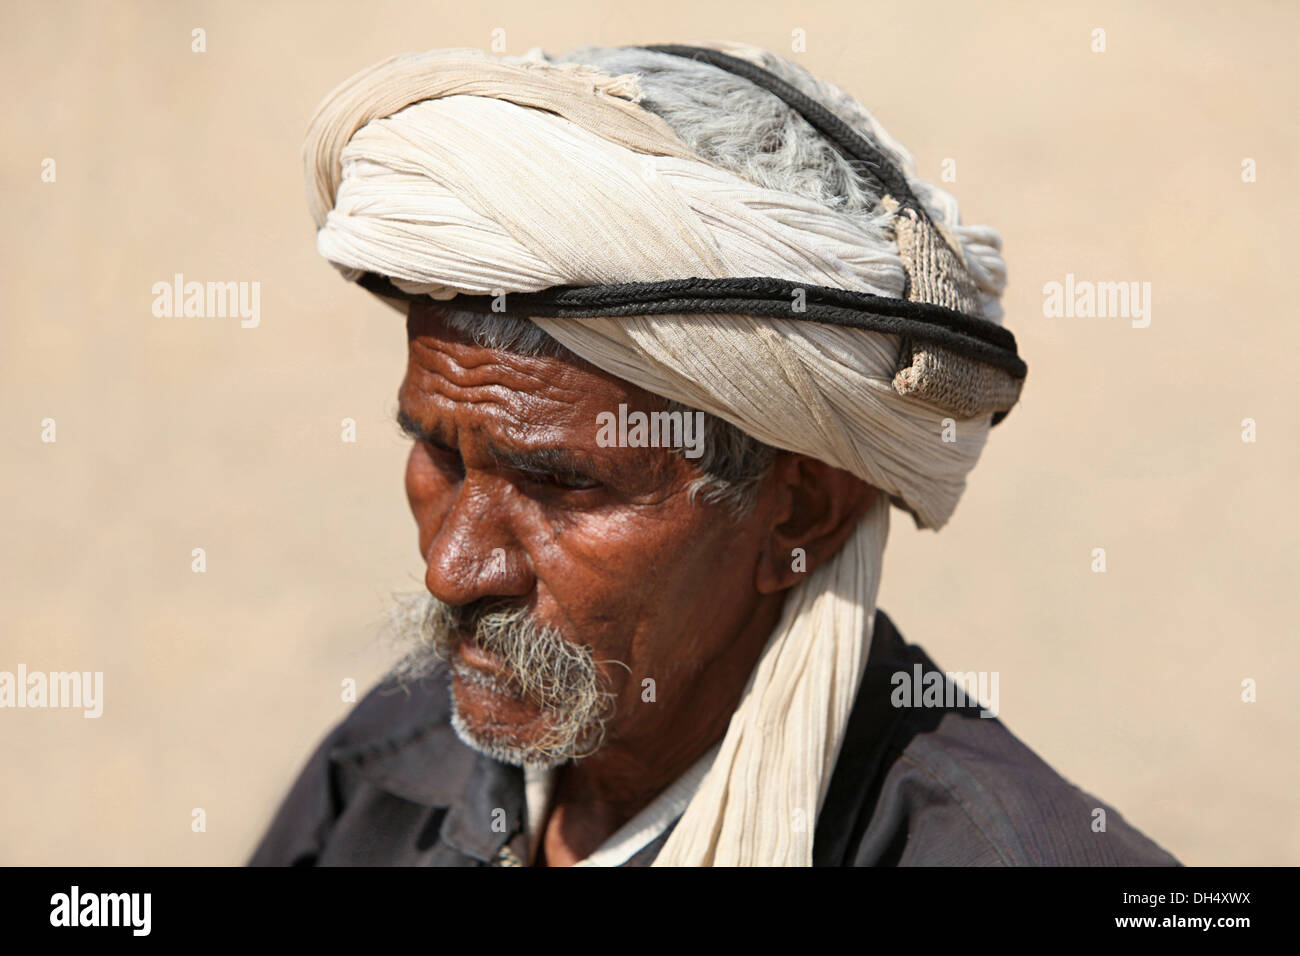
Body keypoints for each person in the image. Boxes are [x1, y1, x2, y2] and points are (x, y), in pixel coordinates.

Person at [249, 41, 1178, 867]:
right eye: (440, 455)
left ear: (801, 513)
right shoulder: (394, 761)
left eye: (562, 483)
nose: (452, 571)